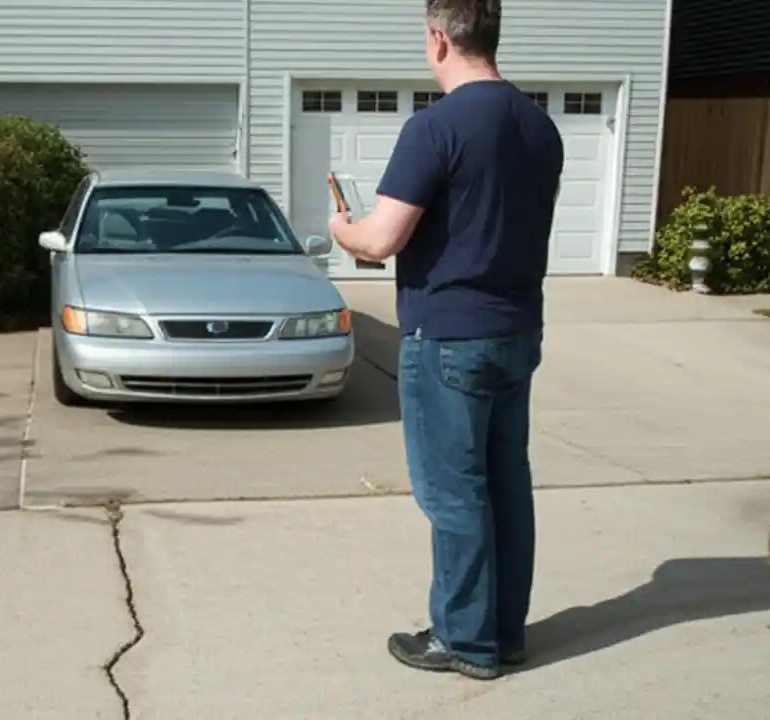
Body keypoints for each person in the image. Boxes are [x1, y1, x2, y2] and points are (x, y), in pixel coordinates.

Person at [327, 0, 563, 681]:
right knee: (505, 485)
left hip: (450, 336)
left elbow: (380, 239)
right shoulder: (540, 127)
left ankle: (464, 640)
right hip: (517, 331)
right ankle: (504, 631)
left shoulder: (436, 127)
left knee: (454, 493)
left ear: (438, 39)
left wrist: (341, 227)